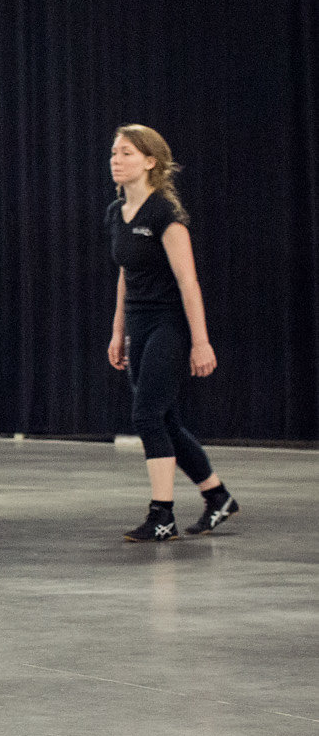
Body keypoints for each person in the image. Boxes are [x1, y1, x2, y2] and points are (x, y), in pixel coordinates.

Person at [107, 124, 238, 541]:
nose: (116, 159)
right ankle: (217, 496)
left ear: (150, 162)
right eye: (114, 153)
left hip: (170, 324)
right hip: (139, 323)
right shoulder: (116, 212)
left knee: (147, 415)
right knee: (165, 418)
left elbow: (188, 283)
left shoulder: (165, 213)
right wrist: (117, 332)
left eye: (126, 153)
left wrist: (200, 341)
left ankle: (161, 515)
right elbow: (125, 277)